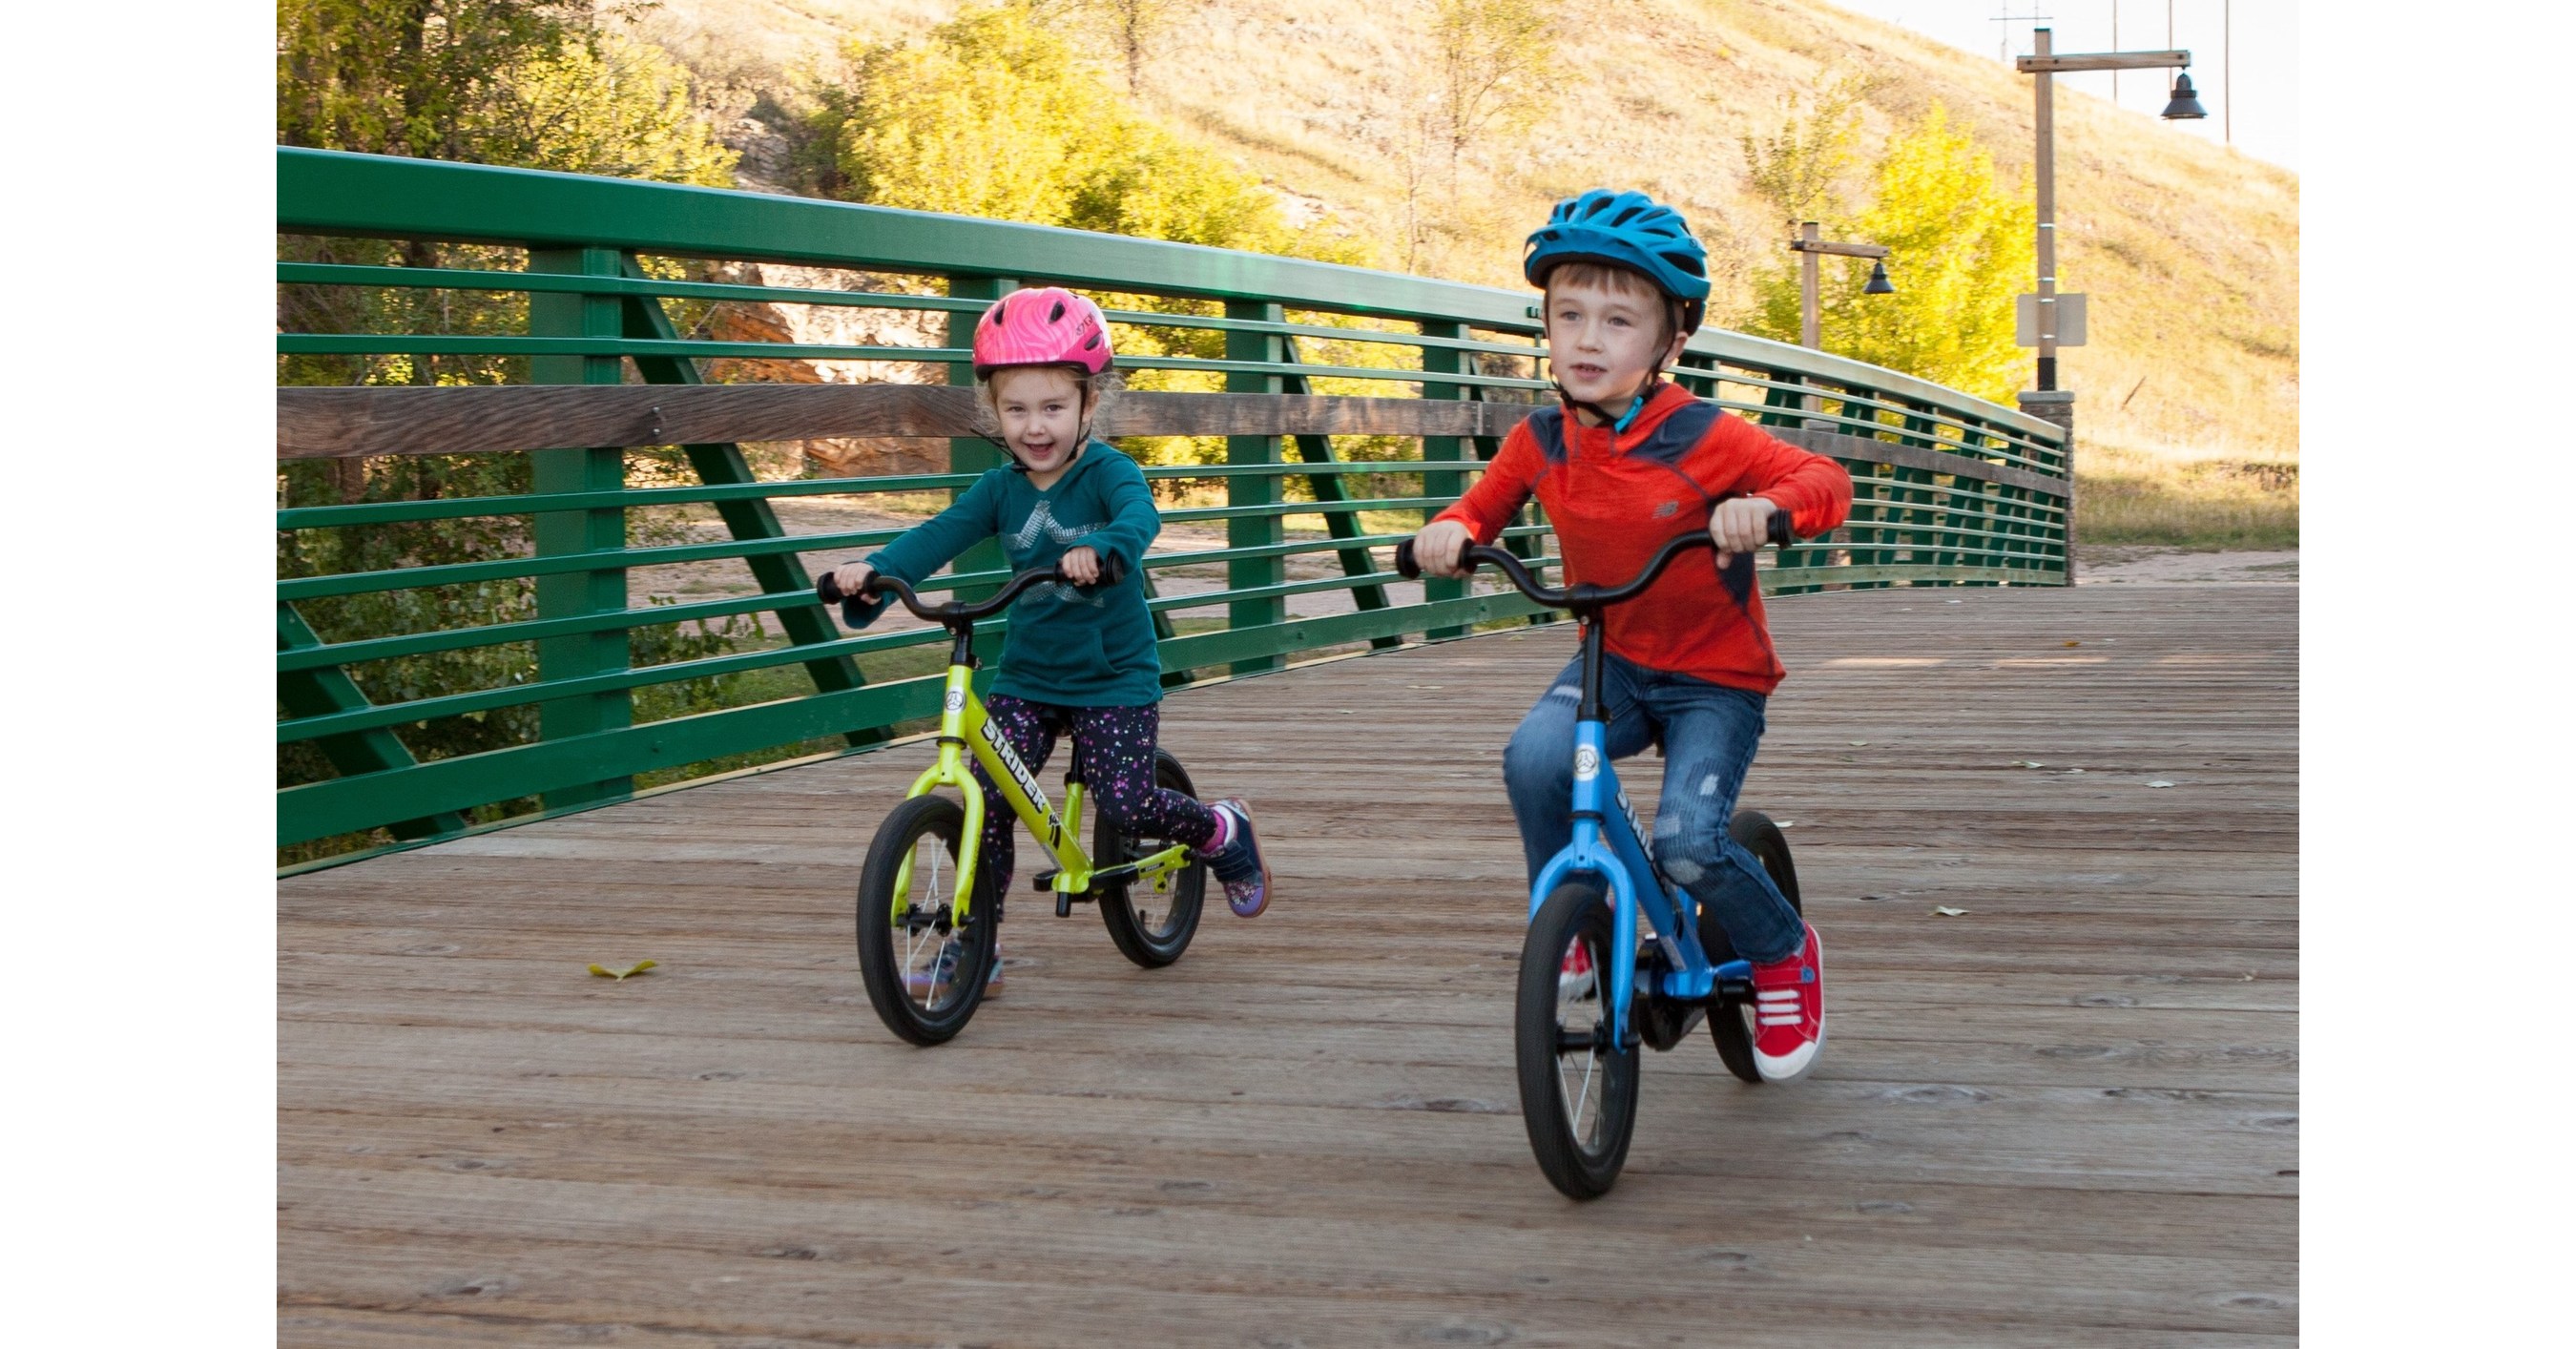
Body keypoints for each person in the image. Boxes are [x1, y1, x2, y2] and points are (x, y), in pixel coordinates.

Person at [1408, 191, 1852, 1080]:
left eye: (1618, 321)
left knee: (1688, 843)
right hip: (1612, 660)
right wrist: (1449, 533)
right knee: (1535, 758)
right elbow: (1481, 508)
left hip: (1713, 679)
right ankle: (1573, 924)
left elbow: (1823, 478)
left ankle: (1781, 951)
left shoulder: (1703, 434)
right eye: (1568, 315)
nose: (1587, 339)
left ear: (1669, 344)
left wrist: (1767, 507)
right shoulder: (1541, 437)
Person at [828, 288, 1275, 995]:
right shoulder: (999, 488)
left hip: (1112, 677)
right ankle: (980, 945)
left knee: (1126, 803)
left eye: (1053, 408)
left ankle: (1219, 830)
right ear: (993, 413)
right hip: (1029, 675)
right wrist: (878, 570)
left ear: (1089, 404)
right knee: (989, 800)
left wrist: (1104, 546)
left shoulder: (1108, 473)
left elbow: (1138, 517)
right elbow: (937, 535)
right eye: (1016, 410)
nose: (1035, 427)